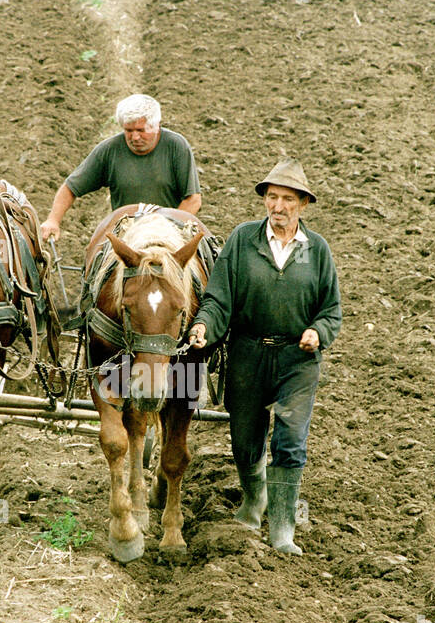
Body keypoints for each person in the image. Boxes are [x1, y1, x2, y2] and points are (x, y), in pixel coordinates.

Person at [187, 159, 341, 554]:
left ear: (303, 204)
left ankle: (283, 528)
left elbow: (331, 311)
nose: (278, 206)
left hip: (297, 359)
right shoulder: (243, 241)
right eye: (272, 197)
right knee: (245, 438)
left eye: (288, 199)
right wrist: (205, 326)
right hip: (248, 352)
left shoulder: (317, 251)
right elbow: (219, 298)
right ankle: (254, 500)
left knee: (290, 440)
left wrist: (317, 333)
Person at [39, 94, 202, 241]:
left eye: (141, 130)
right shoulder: (110, 150)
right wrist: (53, 220)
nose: (134, 137)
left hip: (169, 231)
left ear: (156, 126)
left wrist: (167, 228)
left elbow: (193, 199)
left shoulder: (176, 147)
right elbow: (70, 188)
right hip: (127, 233)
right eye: (128, 130)